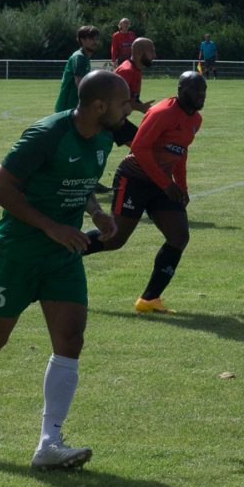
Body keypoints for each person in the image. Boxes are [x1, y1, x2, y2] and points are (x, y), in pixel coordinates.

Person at [0, 70, 132, 470]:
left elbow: (79, 185)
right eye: (123, 102)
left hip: (63, 255)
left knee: (71, 338)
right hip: (19, 251)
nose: (129, 108)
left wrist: (98, 212)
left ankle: (49, 443)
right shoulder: (46, 134)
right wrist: (51, 226)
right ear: (99, 105)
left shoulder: (103, 137)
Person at [82, 72, 208, 314]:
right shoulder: (162, 113)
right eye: (195, 91)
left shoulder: (195, 120)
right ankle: (60, 251)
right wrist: (166, 183)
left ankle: (149, 299)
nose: (201, 96)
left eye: (204, 91)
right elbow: (139, 148)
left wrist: (181, 187)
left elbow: (180, 153)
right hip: (134, 179)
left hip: (160, 185)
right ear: (181, 90)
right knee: (115, 238)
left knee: (179, 236)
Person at [55, 25, 100, 113]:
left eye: (96, 39)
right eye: (91, 39)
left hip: (75, 106)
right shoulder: (79, 57)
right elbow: (79, 82)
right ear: (82, 40)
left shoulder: (84, 57)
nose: (95, 42)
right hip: (69, 107)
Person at [115, 37, 158, 114]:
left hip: (118, 117)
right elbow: (116, 101)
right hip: (110, 119)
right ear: (138, 52)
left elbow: (133, 98)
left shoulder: (136, 69)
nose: (154, 55)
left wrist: (150, 110)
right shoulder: (126, 71)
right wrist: (141, 107)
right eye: (151, 51)